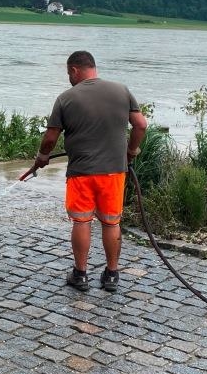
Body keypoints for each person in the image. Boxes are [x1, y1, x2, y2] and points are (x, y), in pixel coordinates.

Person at [29, 51, 147, 292]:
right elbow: (141, 124)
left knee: (82, 221)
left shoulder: (66, 98)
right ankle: (112, 275)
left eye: (68, 73)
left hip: (81, 171)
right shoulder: (121, 91)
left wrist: (42, 157)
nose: (68, 78)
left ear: (74, 70)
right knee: (111, 222)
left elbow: (51, 137)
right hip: (114, 171)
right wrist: (132, 150)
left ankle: (80, 274)